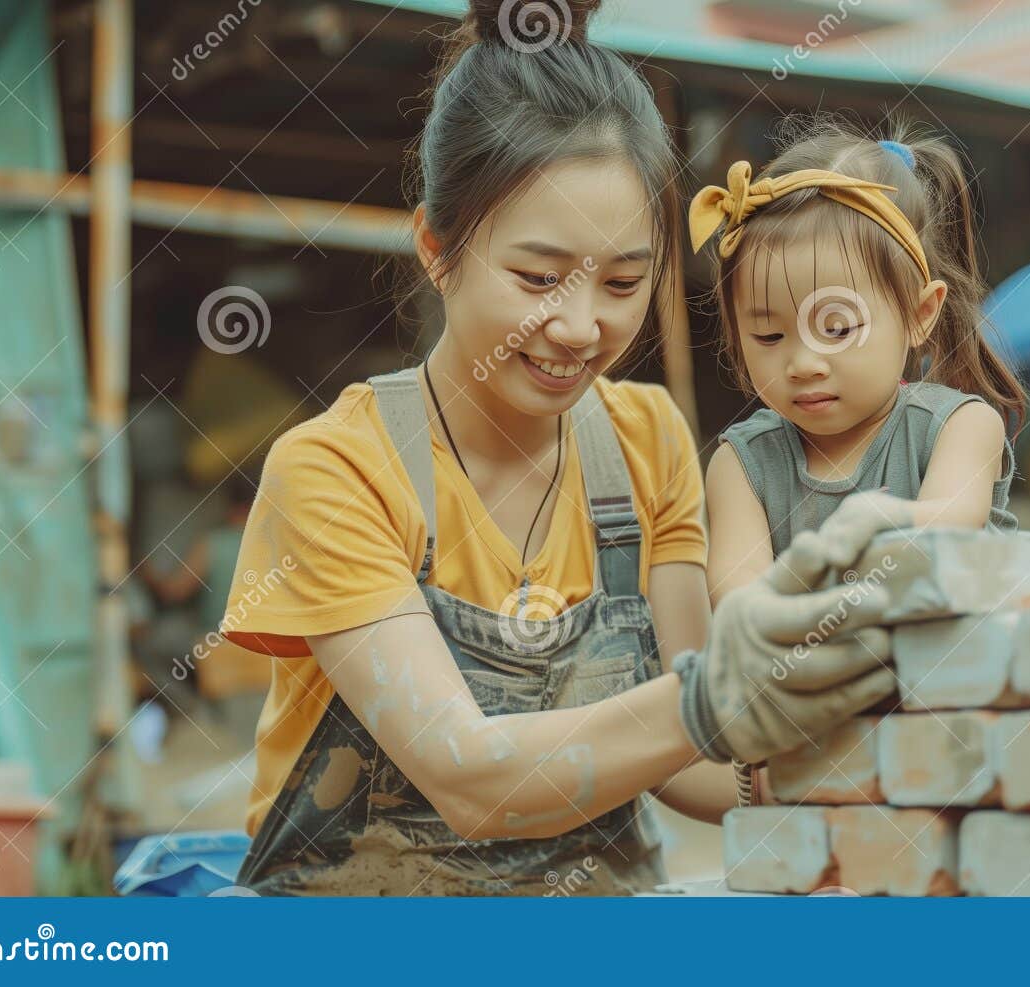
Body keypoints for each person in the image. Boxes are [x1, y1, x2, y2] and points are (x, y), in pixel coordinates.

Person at [220, 1, 899, 896]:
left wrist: (859, 761)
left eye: (622, 281)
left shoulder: (645, 441)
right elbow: (469, 778)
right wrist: (717, 691)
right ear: (436, 248)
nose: (580, 326)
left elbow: (691, 759)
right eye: (539, 278)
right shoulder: (337, 471)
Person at [696, 120, 1028, 611]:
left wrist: (874, 519)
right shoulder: (743, 464)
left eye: (837, 329)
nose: (803, 364)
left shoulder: (960, 426)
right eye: (768, 335)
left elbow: (951, 525)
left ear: (919, 314)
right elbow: (740, 596)